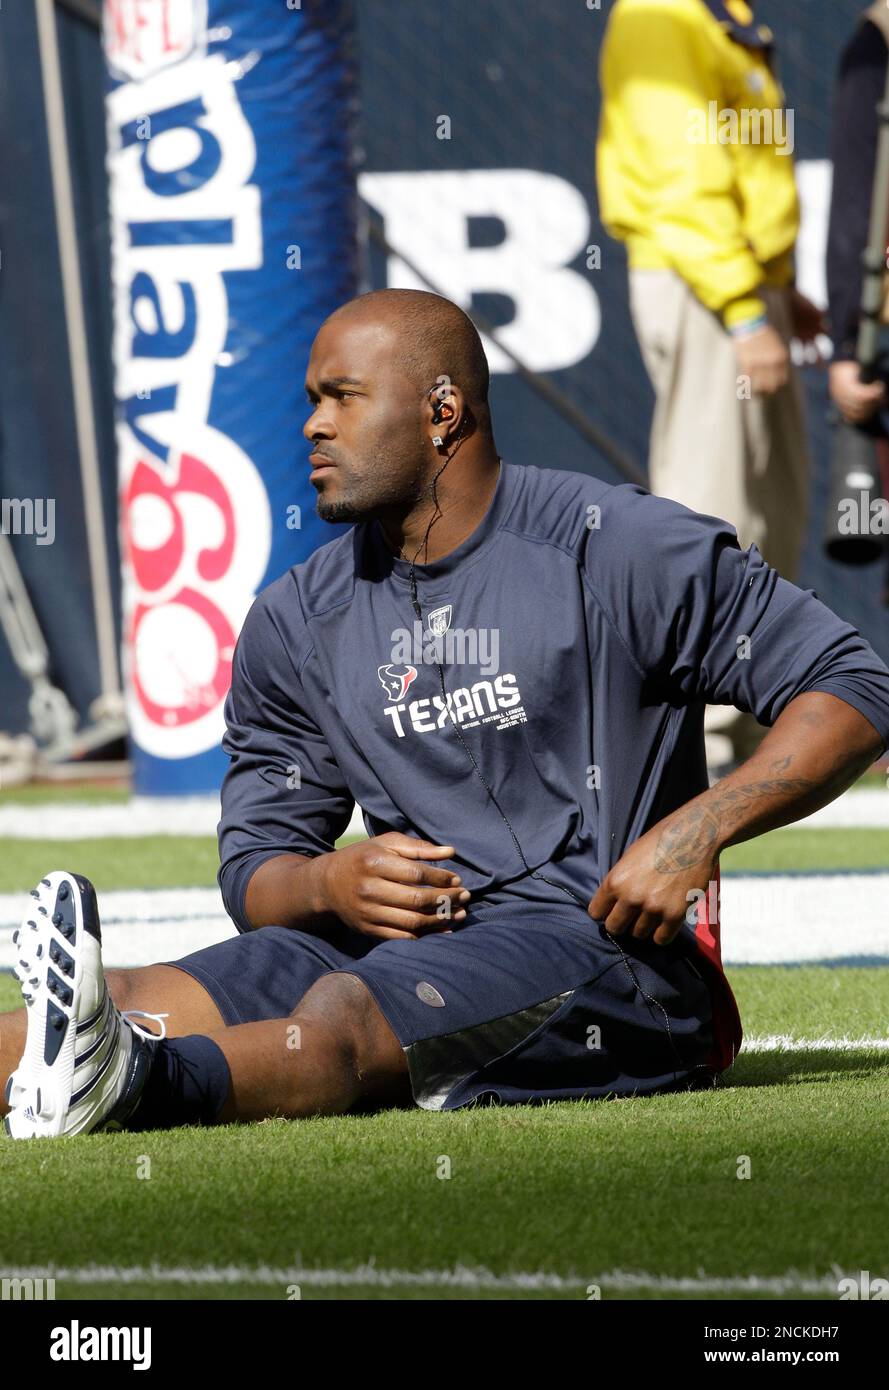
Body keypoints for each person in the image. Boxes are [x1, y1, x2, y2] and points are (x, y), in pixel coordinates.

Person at [3, 289, 889, 1139]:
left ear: (442, 412)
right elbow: (257, 871)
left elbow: (854, 684)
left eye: (342, 398)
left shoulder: (617, 547)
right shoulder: (294, 619)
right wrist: (327, 885)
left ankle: (132, 1083)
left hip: (611, 962)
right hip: (393, 945)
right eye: (311, 401)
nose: (312, 425)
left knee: (339, 1015)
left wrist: (693, 833)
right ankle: (89, 1052)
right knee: (119, 993)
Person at [596, 0, 824, 771]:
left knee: (771, 505)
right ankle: (709, 737)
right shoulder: (660, 13)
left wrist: (774, 287)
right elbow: (680, 178)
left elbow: (740, 166)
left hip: (739, 282)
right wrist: (737, 308)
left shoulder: (718, 13)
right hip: (704, 286)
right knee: (712, 507)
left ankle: (759, 717)